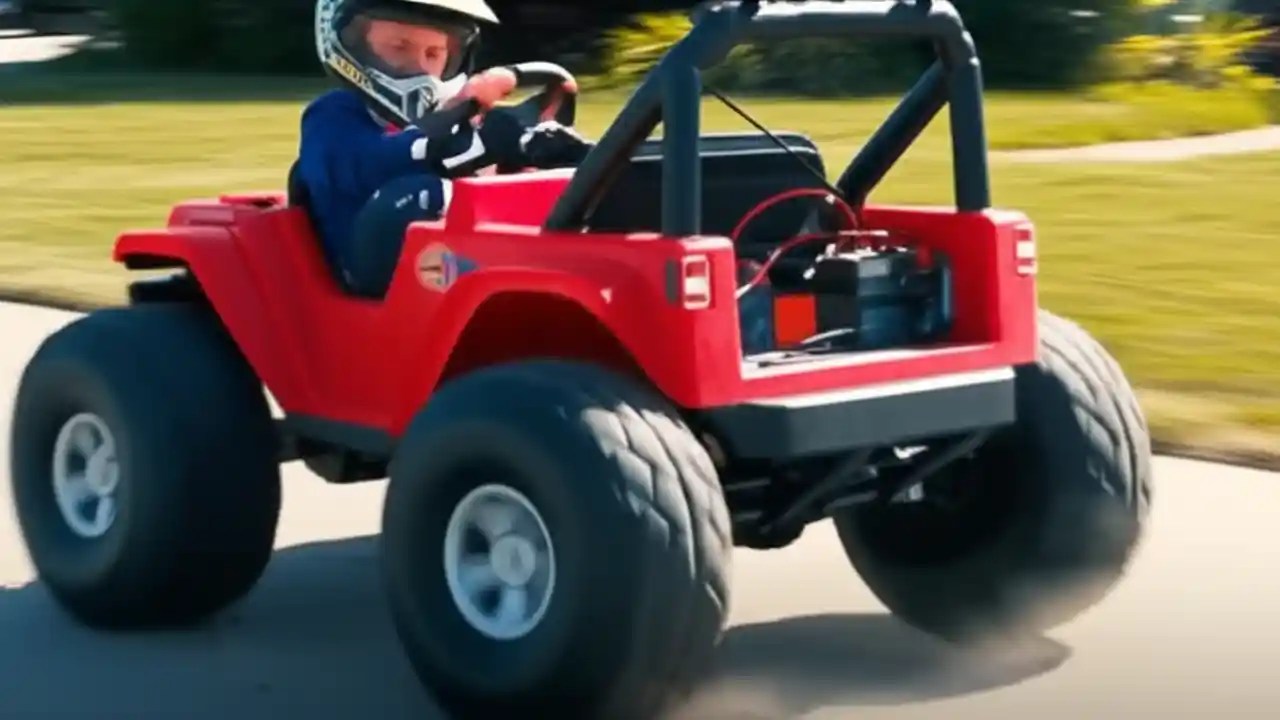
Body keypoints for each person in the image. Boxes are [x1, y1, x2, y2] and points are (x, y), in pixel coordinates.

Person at [299, 0, 591, 296]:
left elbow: (474, 154)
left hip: (438, 264)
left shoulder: (452, 117)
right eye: (399, 47)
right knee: (418, 193)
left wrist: (526, 147)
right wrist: (447, 147)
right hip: (366, 270)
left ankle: (544, 271)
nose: (421, 66)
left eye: (434, 53)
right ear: (351, 43)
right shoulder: (333, 113)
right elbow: (359, 166)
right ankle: (494, 277)